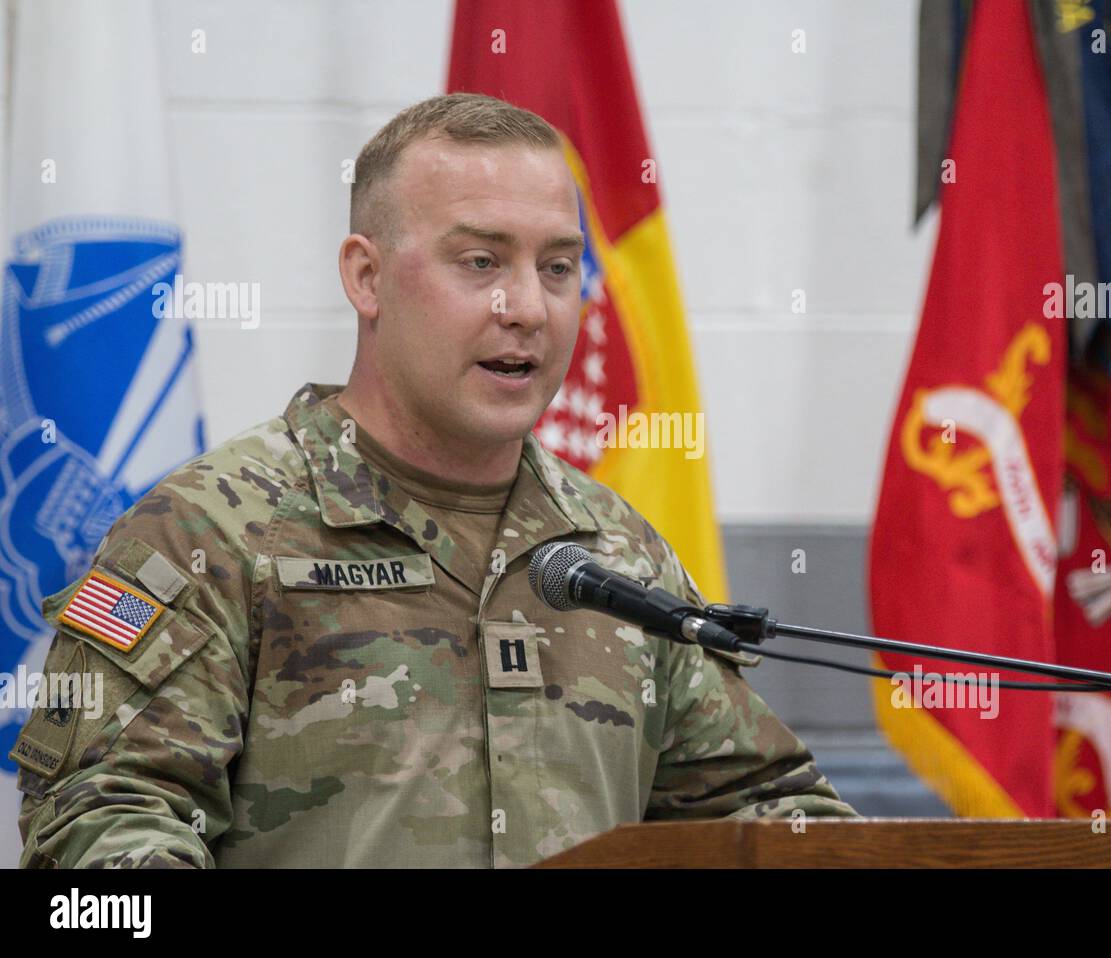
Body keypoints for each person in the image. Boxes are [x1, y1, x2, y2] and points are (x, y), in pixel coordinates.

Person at [13, 93, 857, 868]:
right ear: (366, 276)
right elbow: (97, 833)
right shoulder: (209, 533)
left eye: (559, 268)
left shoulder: (614, 552)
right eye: (482, 262)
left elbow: (764, 815)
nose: (527, 306)